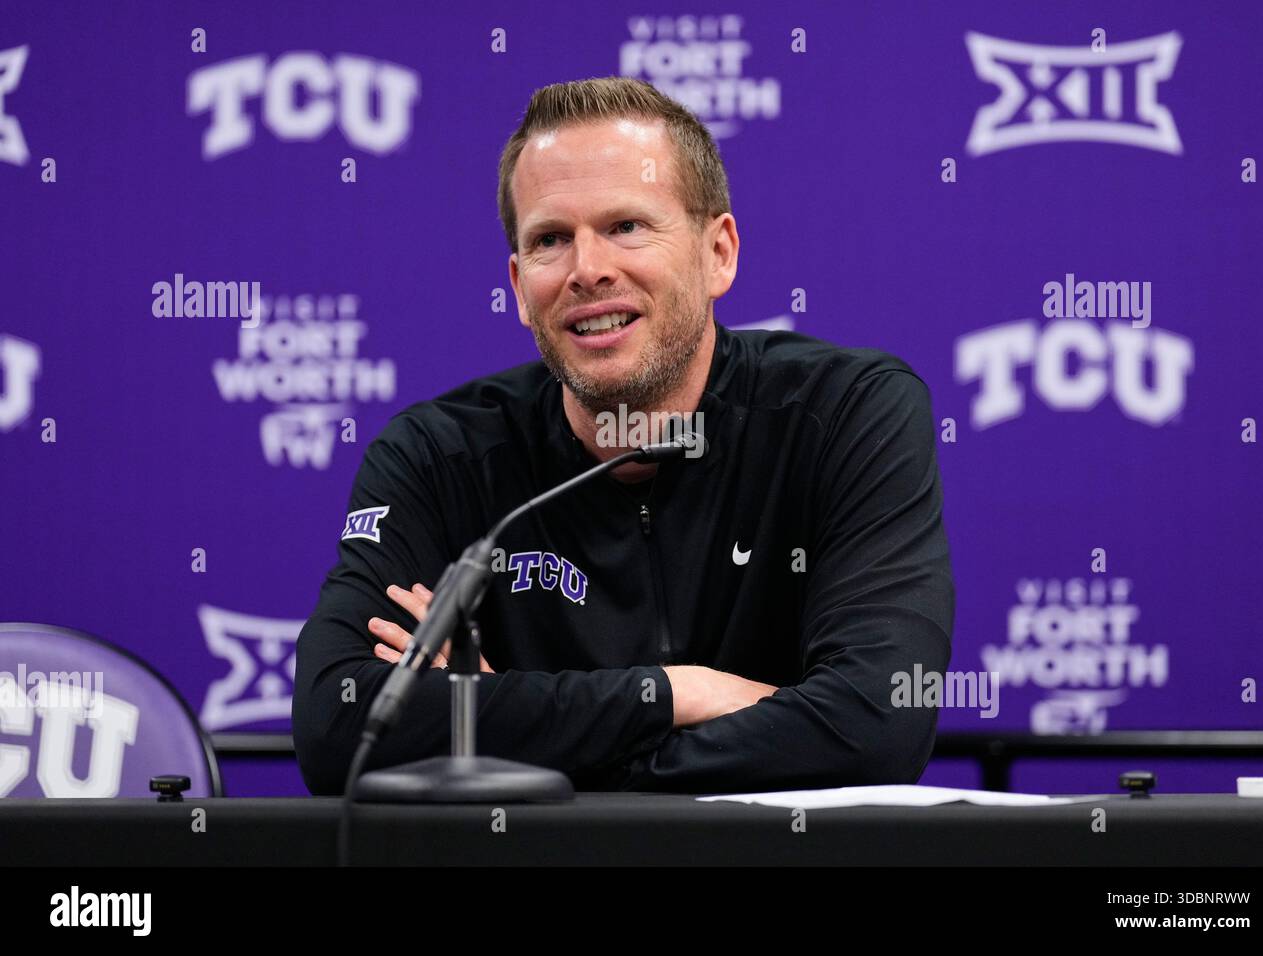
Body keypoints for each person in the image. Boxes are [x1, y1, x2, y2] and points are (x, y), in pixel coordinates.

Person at [291, 76, 954, 795]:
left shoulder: (845, 413)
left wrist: (499, 722)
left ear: (718, 254)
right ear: (518, 286)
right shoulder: (438, 456)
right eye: (550, 240)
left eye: (626, 226)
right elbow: (338, 725)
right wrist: (682, 692)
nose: (588, 270)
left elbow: (874, 728)